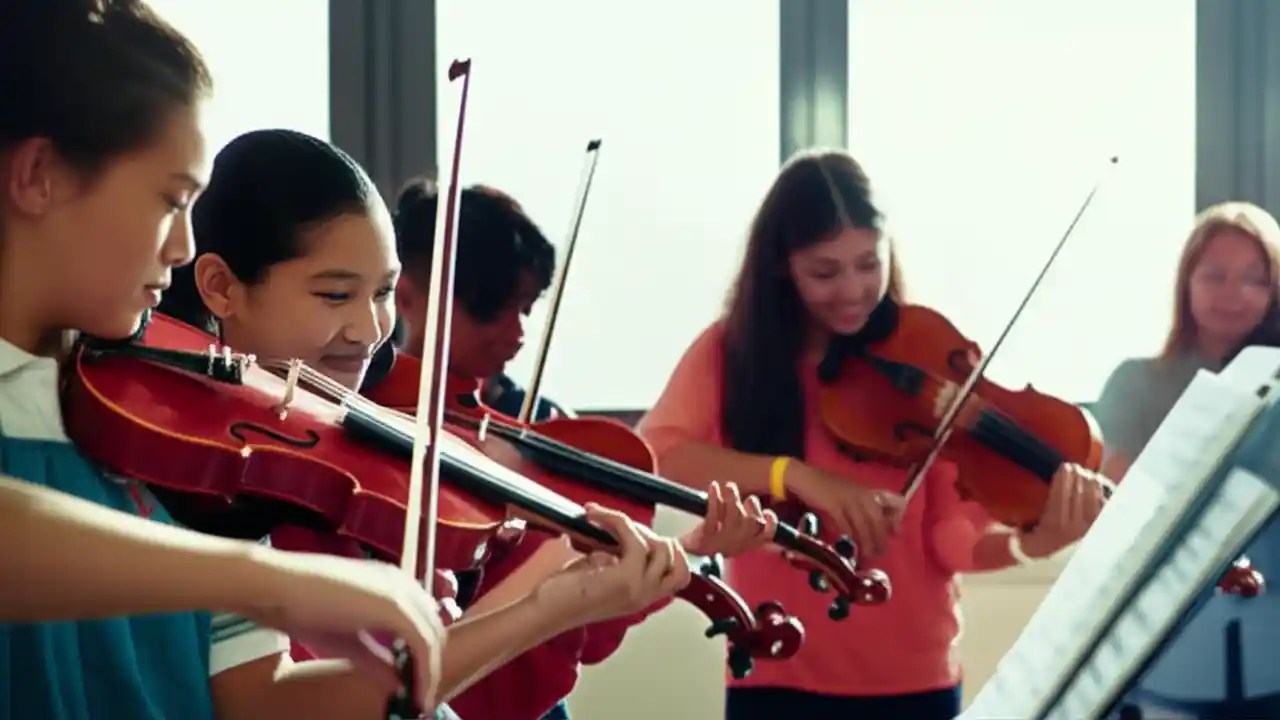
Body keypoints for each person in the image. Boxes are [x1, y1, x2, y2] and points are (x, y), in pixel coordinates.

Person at [158, 128, 762, 719]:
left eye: (384, 293)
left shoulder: (340, 447)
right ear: (219, 287)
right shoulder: (218, 472)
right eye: (336, 295)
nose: (373, 332)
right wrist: (547, 601)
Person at [0, 1, 444, 716]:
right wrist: (266, 579)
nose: (180, 248)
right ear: (40, 175)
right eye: (170, 200)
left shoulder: (167, 422)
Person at [635, 148, 1112, 720]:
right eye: (825, 271)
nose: (854, 289)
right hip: (775, 669)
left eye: (868, 262)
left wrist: (1031, 544)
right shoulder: (730, 353)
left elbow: (948, 541)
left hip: (912, 681)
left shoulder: (929, 355)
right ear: (782, 266)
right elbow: (658, 454)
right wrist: (799, 478)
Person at [379, 180, 777, 720]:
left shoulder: (543, 426)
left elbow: (585, 626)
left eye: (526, 307)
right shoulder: (369, 427)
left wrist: (689, 546)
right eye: (490, 308)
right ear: (407, 295)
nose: (516, 332)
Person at [1093, 201, 1280, 719]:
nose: (1232, 294)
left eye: (1254, 279)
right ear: (1186, 283)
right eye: (1214, 275)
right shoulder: (1135, 382)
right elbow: (1121, 513)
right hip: (1163, 651)